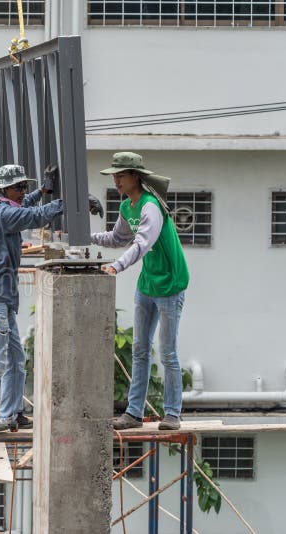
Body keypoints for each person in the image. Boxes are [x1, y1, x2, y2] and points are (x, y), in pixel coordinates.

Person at [0, 163, 104, 433]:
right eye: (19, 187)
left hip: (1, 298)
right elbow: (34, 217)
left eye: (25, 187)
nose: (23, 191)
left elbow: (26, 206)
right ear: (3, 189)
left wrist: (42, 190)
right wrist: (72, 202)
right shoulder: (1, 214)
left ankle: (11, 413)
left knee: (15, 360)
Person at [92, 152, 190, 431]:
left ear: (136, 176)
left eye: (120, 175)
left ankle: (172, 414)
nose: (116, 180)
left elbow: (142, 244)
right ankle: (133, 414)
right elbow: (118, 238)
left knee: (168, 351)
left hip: (170, 284)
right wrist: (82, 236)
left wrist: (116, 267)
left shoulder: (150, 207)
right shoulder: (127, 207)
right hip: (147, 284)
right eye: (114, 175)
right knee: (139, 349)